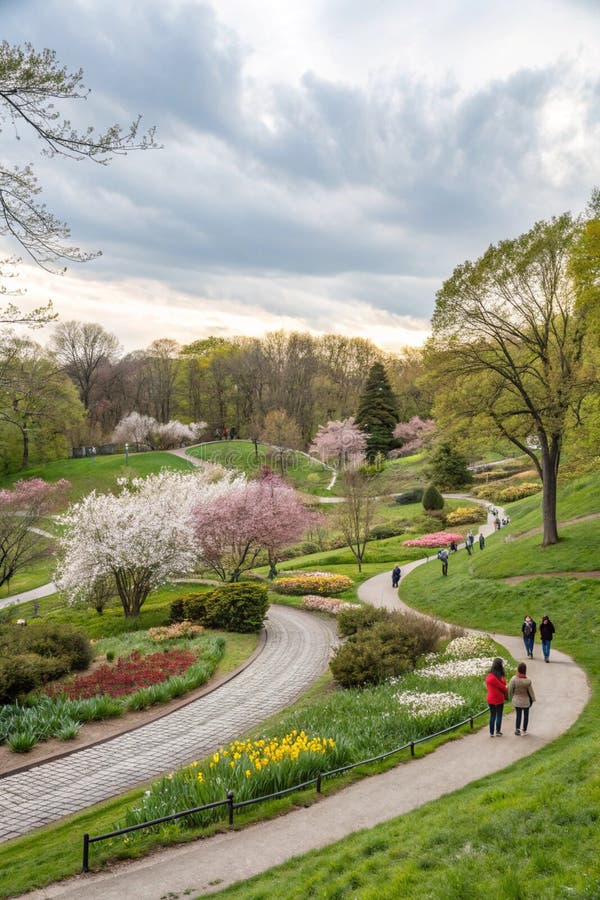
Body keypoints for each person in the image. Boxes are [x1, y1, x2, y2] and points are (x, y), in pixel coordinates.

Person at [508, 661, 536, 735]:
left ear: (518, 669)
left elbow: (510, 689)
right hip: (526, 700)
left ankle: (517, 729)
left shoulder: (514, 679)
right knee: (526, 715)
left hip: (517, 700)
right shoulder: (528, 681)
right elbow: (531, 691)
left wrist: (509, 697)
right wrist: (532, 700)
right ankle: (524, 729)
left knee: (518, 715)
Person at [485, 657, 508, 736]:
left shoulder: (489, 676)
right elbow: (503, 688)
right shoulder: (498, 677)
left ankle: (491, 732)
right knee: (499, 715)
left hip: (490, 698)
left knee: (492, 715)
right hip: (498, 699)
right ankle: (497, 731)